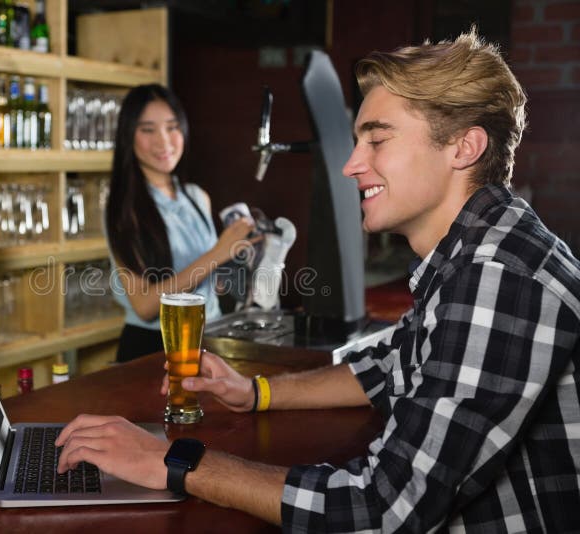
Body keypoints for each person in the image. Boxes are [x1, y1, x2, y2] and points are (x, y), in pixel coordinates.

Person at [56, 29, 580, 532]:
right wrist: (254, 391)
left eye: (377, 140)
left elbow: (382, 511)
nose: (352, 165)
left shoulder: (495, 278)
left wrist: (173, 461)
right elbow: (390, 365)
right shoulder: (473, 256)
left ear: (464, 147)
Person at [105, 84, 256, 362]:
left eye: (172, 127)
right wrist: (217, 254)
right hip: (153, 347)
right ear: (128, 136)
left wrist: (239, 255)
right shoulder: (125, 209)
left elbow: (211, 286)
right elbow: (146, 305)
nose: (163, 141)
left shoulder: (198, 197)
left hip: (209, 336)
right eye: (148, 130)